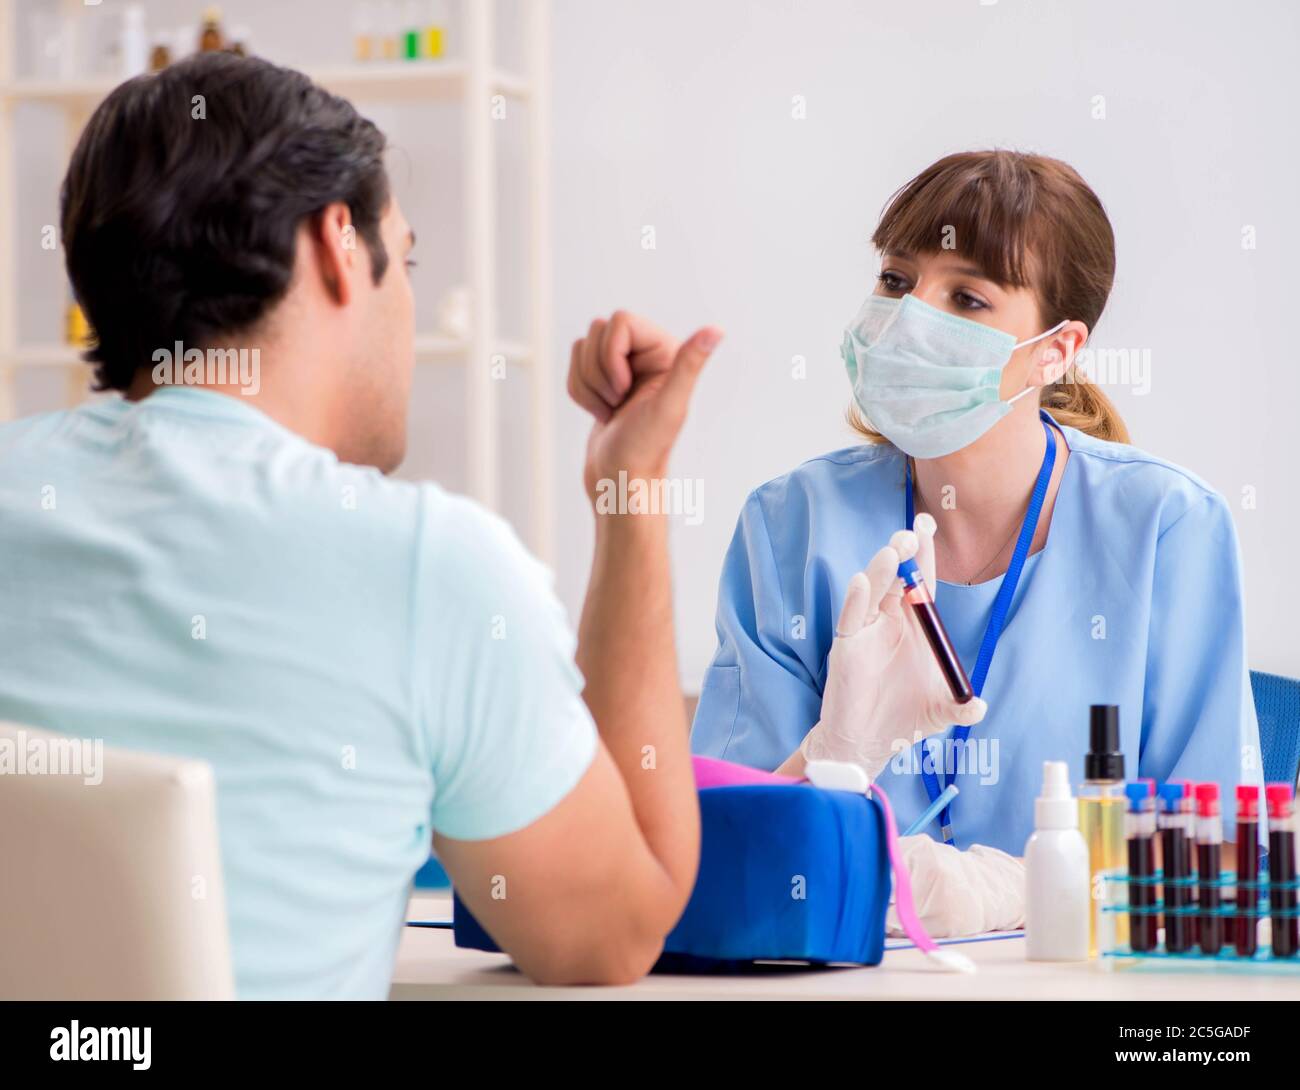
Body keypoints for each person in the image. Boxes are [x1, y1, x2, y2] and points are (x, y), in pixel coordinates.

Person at [0, 53, 717, 997]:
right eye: (406, 258)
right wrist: (634, 493)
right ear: (341, 244)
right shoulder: (427, 567)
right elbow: (613, 933)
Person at [689, 150, 1265, 937]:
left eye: (967, 297)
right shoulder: (790, 526)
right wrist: (838, 752)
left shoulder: (1168, 527)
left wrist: (1014, 892)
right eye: (896, 281)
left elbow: (1219, 869)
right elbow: (720, 857)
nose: (910, 318)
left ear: (1057, 350)